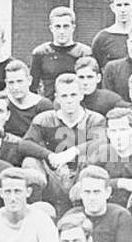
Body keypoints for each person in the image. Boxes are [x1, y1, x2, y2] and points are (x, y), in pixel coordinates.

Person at [22, 73, 106, 213]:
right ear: (57, 97)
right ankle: (36, 209)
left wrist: (73, 152)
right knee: (30, 161)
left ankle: (82, 208)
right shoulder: (44, 119)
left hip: (81, 176)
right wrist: (49, 155)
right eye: (64, 96)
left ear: (81, 95)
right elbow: (24, 144)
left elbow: (101, 141)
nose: (69, 100)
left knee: (94, 156)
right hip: (53, 175)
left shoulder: (94, 119)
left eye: (73, 95)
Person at [80, 106, 132, 209]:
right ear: (108, 133)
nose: (118, 136)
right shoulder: (101, 153)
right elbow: (84, 183)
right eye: (113, 131)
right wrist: (122, 183)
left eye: (123, 130)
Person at [68, 165, 132, 242]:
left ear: (108, 192)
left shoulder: (120, 216)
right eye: (87, 192)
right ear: (81, 193)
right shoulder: (72, 216)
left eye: (97, 192)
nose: (92, 198)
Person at [30, 6, 91, 99]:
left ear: (73, 28)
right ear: (51, 28)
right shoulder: (41, 53)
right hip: (49, 105)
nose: (62, 31)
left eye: (66, 26)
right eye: (57, 26)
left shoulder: (84, 53)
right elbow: (33, 87)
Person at [90, 0, 132, 69]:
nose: (123, 10)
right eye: (119, 5)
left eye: (126, 5)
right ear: (112, 7)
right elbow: (95, 70)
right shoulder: (102, 38)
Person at [1, 59, 53, 137]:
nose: (16, 87)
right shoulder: (3, 103)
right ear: (6, 83)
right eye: (11, 82)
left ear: (29, 80)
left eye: (20, 81)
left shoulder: (43, 105)